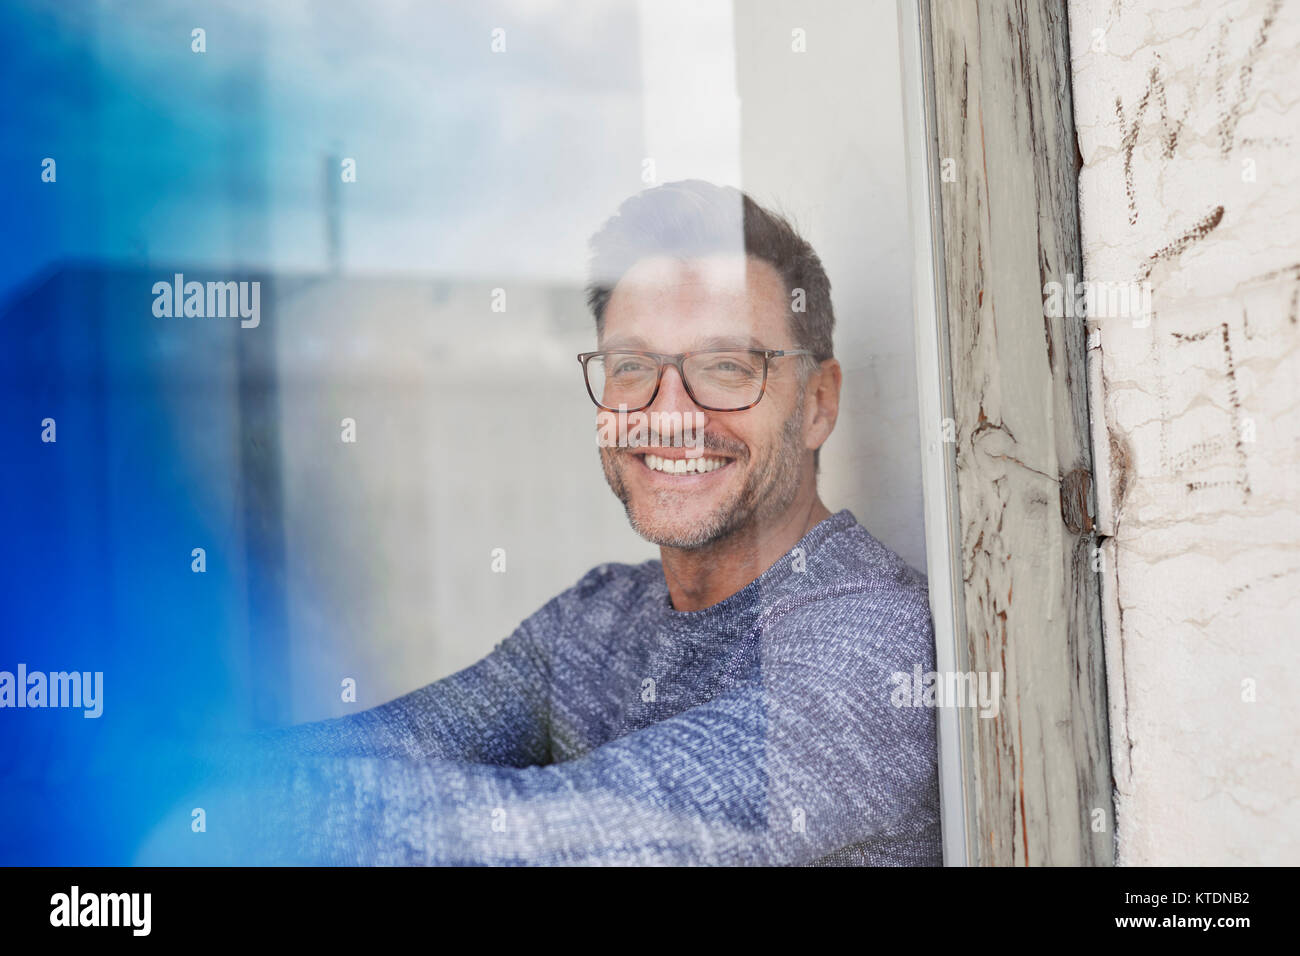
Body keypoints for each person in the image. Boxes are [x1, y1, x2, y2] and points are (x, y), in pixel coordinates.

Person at [137, 179, 942, 866]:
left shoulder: (870, 646)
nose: (668, 415)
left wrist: (158, 814)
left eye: (725, 367)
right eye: (632, 367)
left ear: (819, 403)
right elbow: (390, 748)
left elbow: (537, 839)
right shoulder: (597, 621)